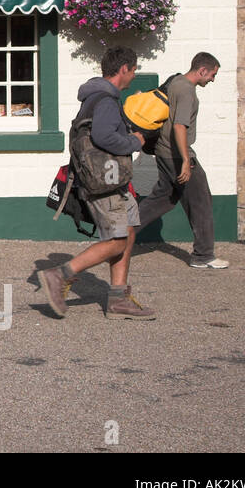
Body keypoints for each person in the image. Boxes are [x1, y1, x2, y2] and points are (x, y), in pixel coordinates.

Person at [38, 46, 155, 319]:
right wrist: (134, 141)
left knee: (129, 231)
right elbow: (104, 137)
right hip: (105, 181)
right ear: (124, 68)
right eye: (134, 69)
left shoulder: (98, 97)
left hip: (112, 179)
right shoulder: (104, 100)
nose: (134, 75)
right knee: (117, 241)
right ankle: (60, 275)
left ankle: (117, 299)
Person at [136, 52, 227, 269]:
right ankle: (203, 255)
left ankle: (119, 236)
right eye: (212, 75)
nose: (213, 80)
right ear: (202, 70)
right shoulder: (186, 90)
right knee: (201, 201)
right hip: (177, 154)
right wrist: (186, 160)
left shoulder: (175, 81)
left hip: (163, 152)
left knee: (162, 199)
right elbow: (179, 126)